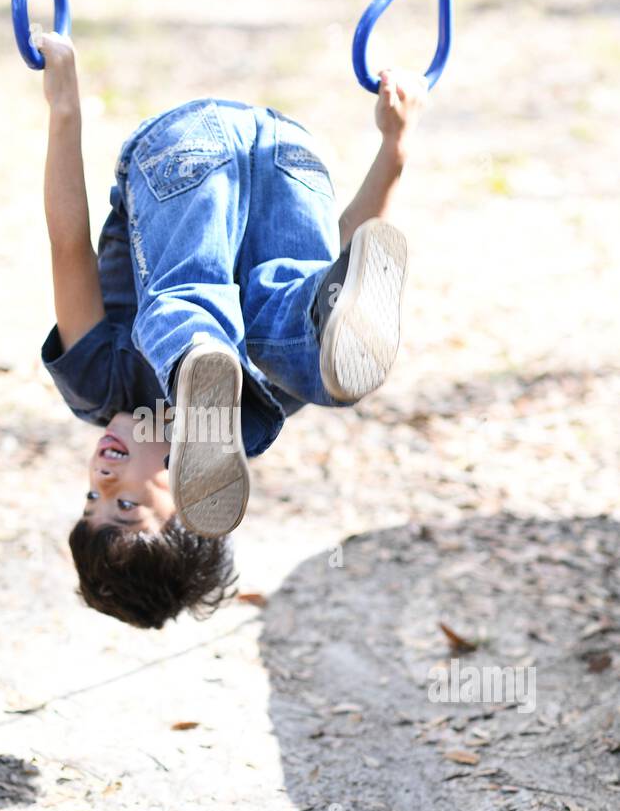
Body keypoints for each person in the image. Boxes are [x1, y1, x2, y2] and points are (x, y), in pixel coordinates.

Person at [39, 33, 427, 629]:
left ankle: (202, 350)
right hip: (279, 162)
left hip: (208, 159)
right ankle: (280, 344)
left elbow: (70, 251)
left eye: (91, 498)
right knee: (291, 330)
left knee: (204, 320)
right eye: (126, 505)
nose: (102, 475)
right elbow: (346, 251)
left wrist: (64, 109)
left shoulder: (100, 387)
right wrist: (393, 150)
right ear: (194, 501)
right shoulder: (263, 399)